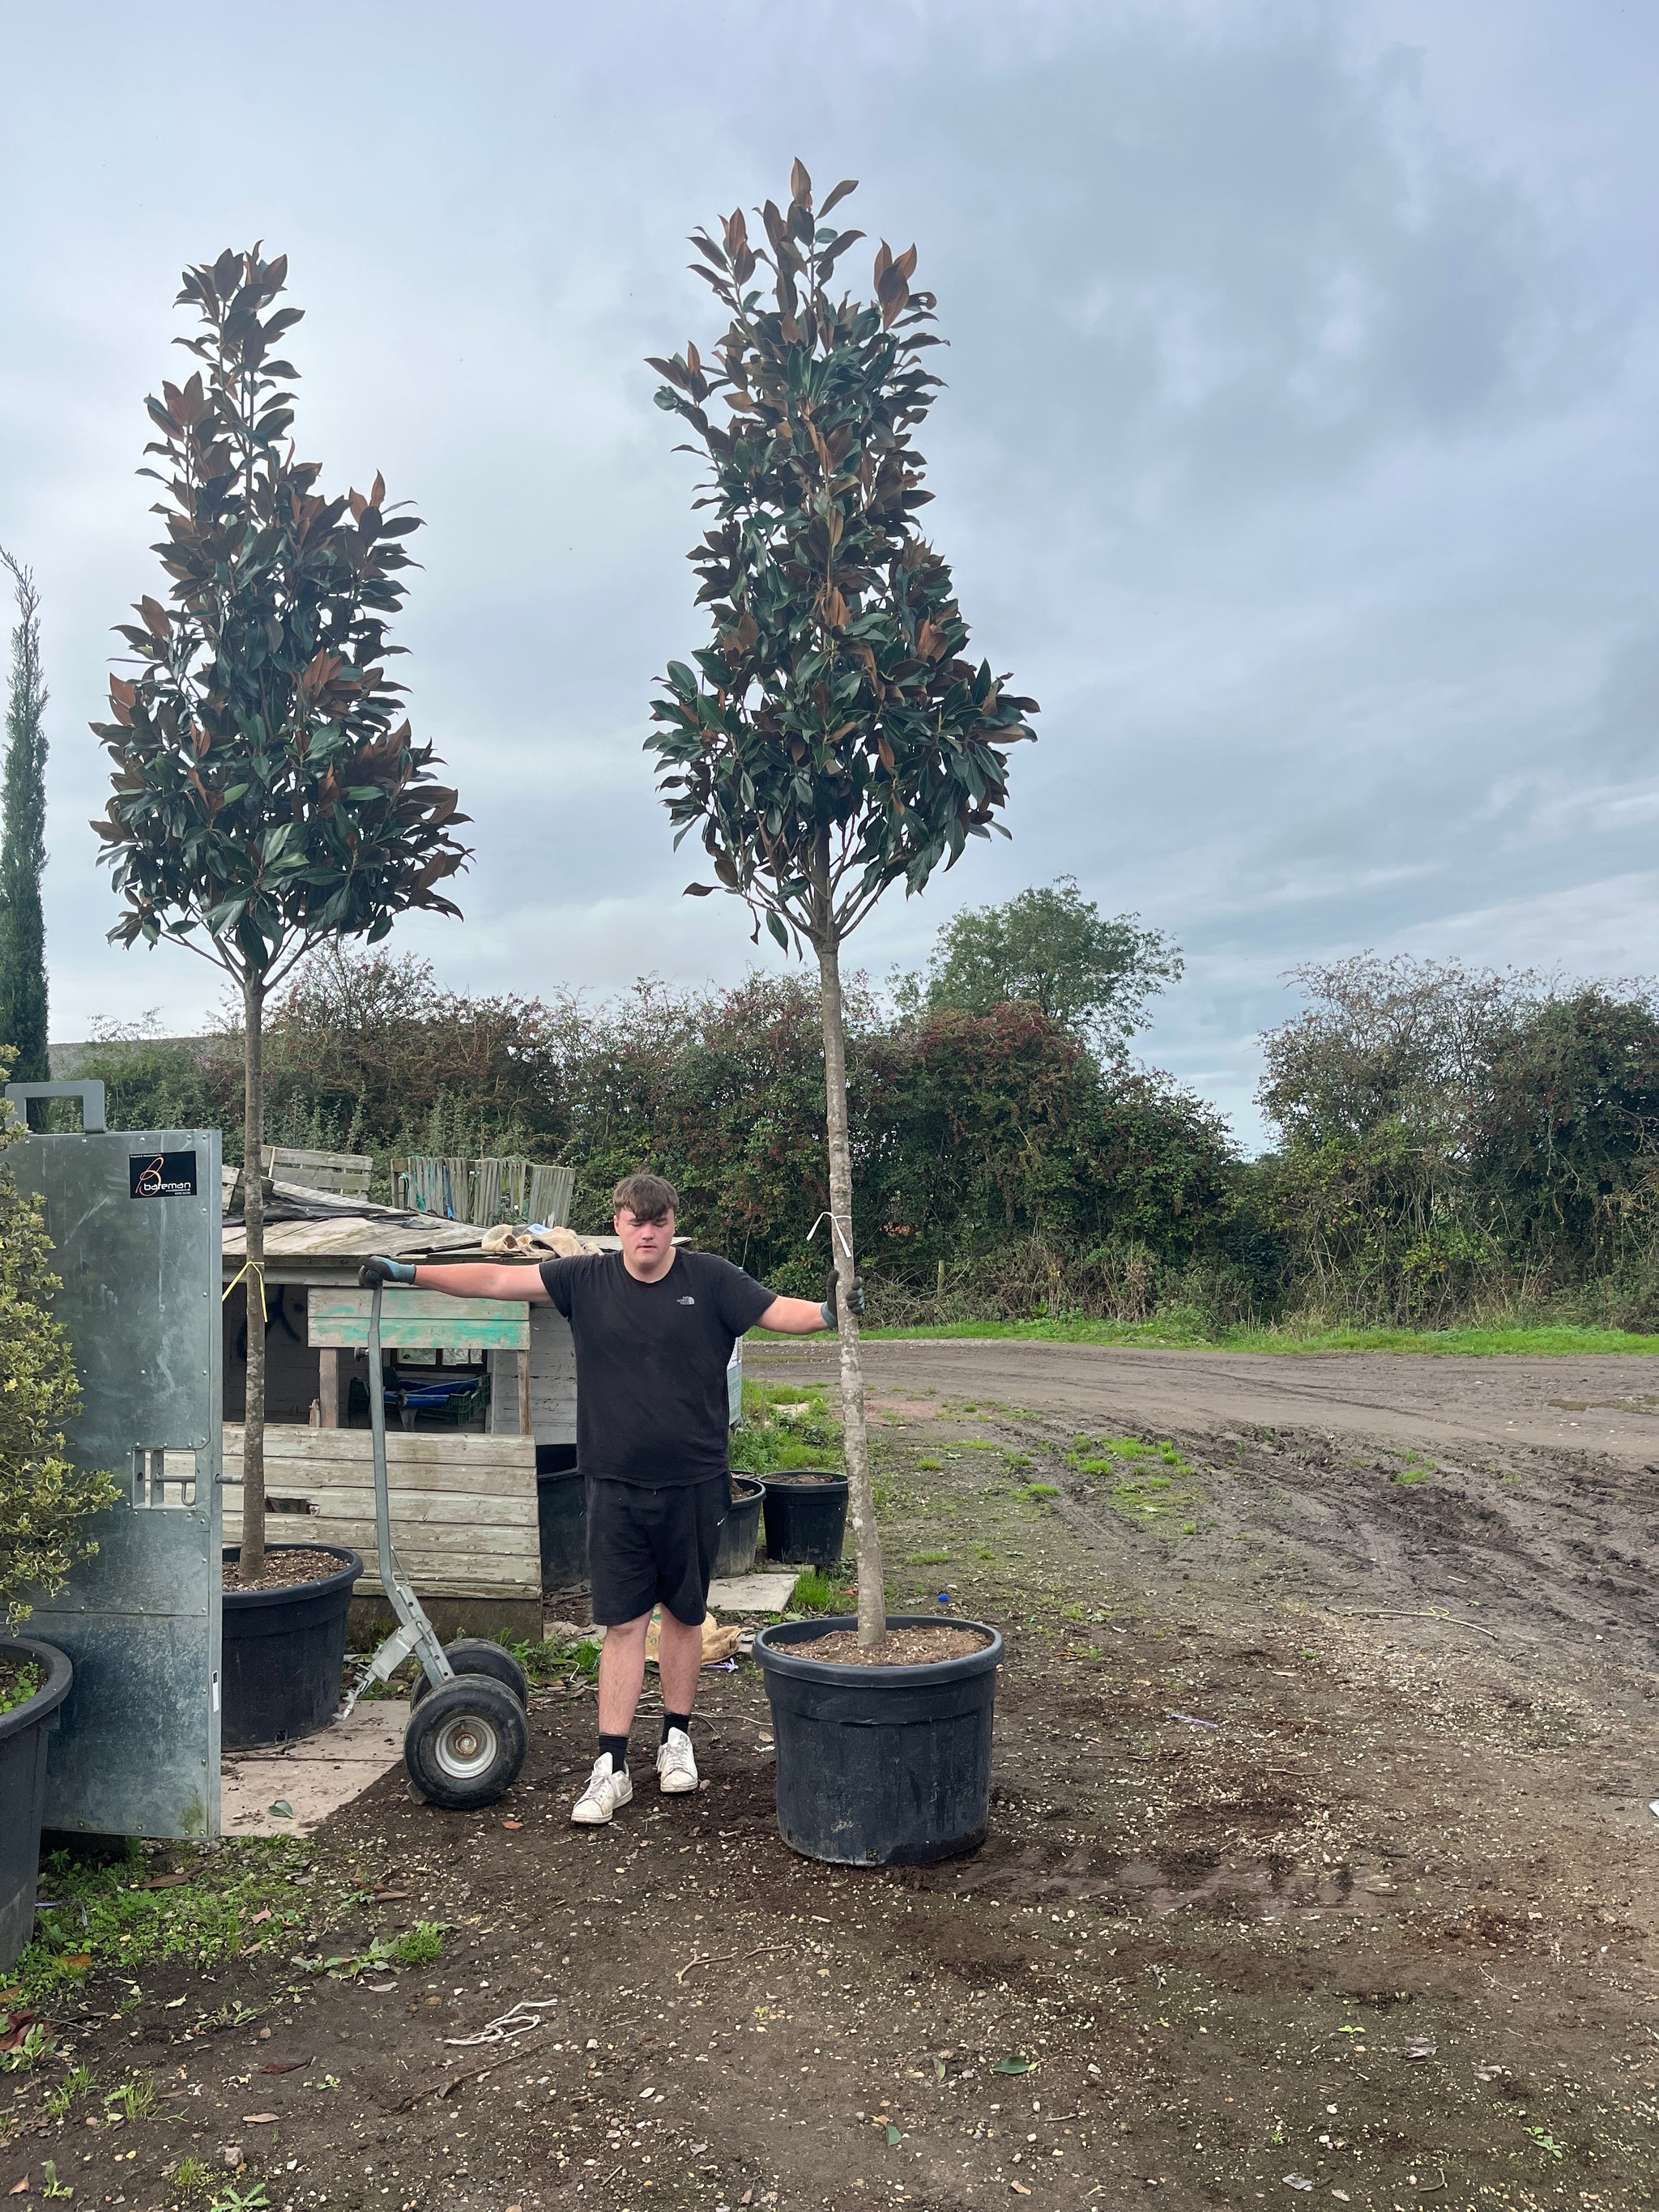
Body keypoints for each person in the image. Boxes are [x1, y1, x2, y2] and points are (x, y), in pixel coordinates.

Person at [361, 1171, 860, 1826]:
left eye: (657, 1222)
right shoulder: (584, 1279)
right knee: (623, 1624)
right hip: (613, 1484)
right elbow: (495, 1280)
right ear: (619, 1223)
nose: (646, 1232)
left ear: (671, 1223)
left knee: (686, 1614)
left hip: (693, 1481)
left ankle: (676, 1740)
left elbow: (776, 1313)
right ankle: (612, 1764)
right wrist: (407, 1273)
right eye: (634, 1220)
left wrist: (831, 1310)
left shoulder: (710, 1279)